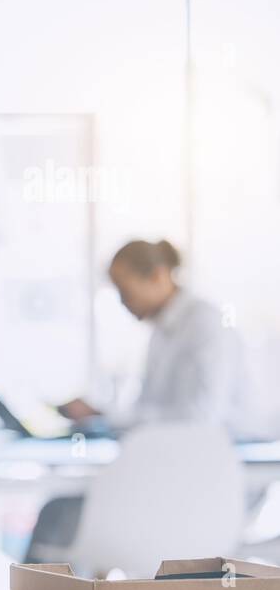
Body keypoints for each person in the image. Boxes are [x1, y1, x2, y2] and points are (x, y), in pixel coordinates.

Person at [29, 238, 269, 562]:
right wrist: (104, 416)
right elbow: (152, 412)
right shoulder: (161, 332)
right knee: (59, 511)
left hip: (210, 485)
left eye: (125, 290)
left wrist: (108, 417)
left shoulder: (205, 324)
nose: (123, 302)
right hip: (174, 474)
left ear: (157, 276)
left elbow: (198, 419)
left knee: (59, 516)